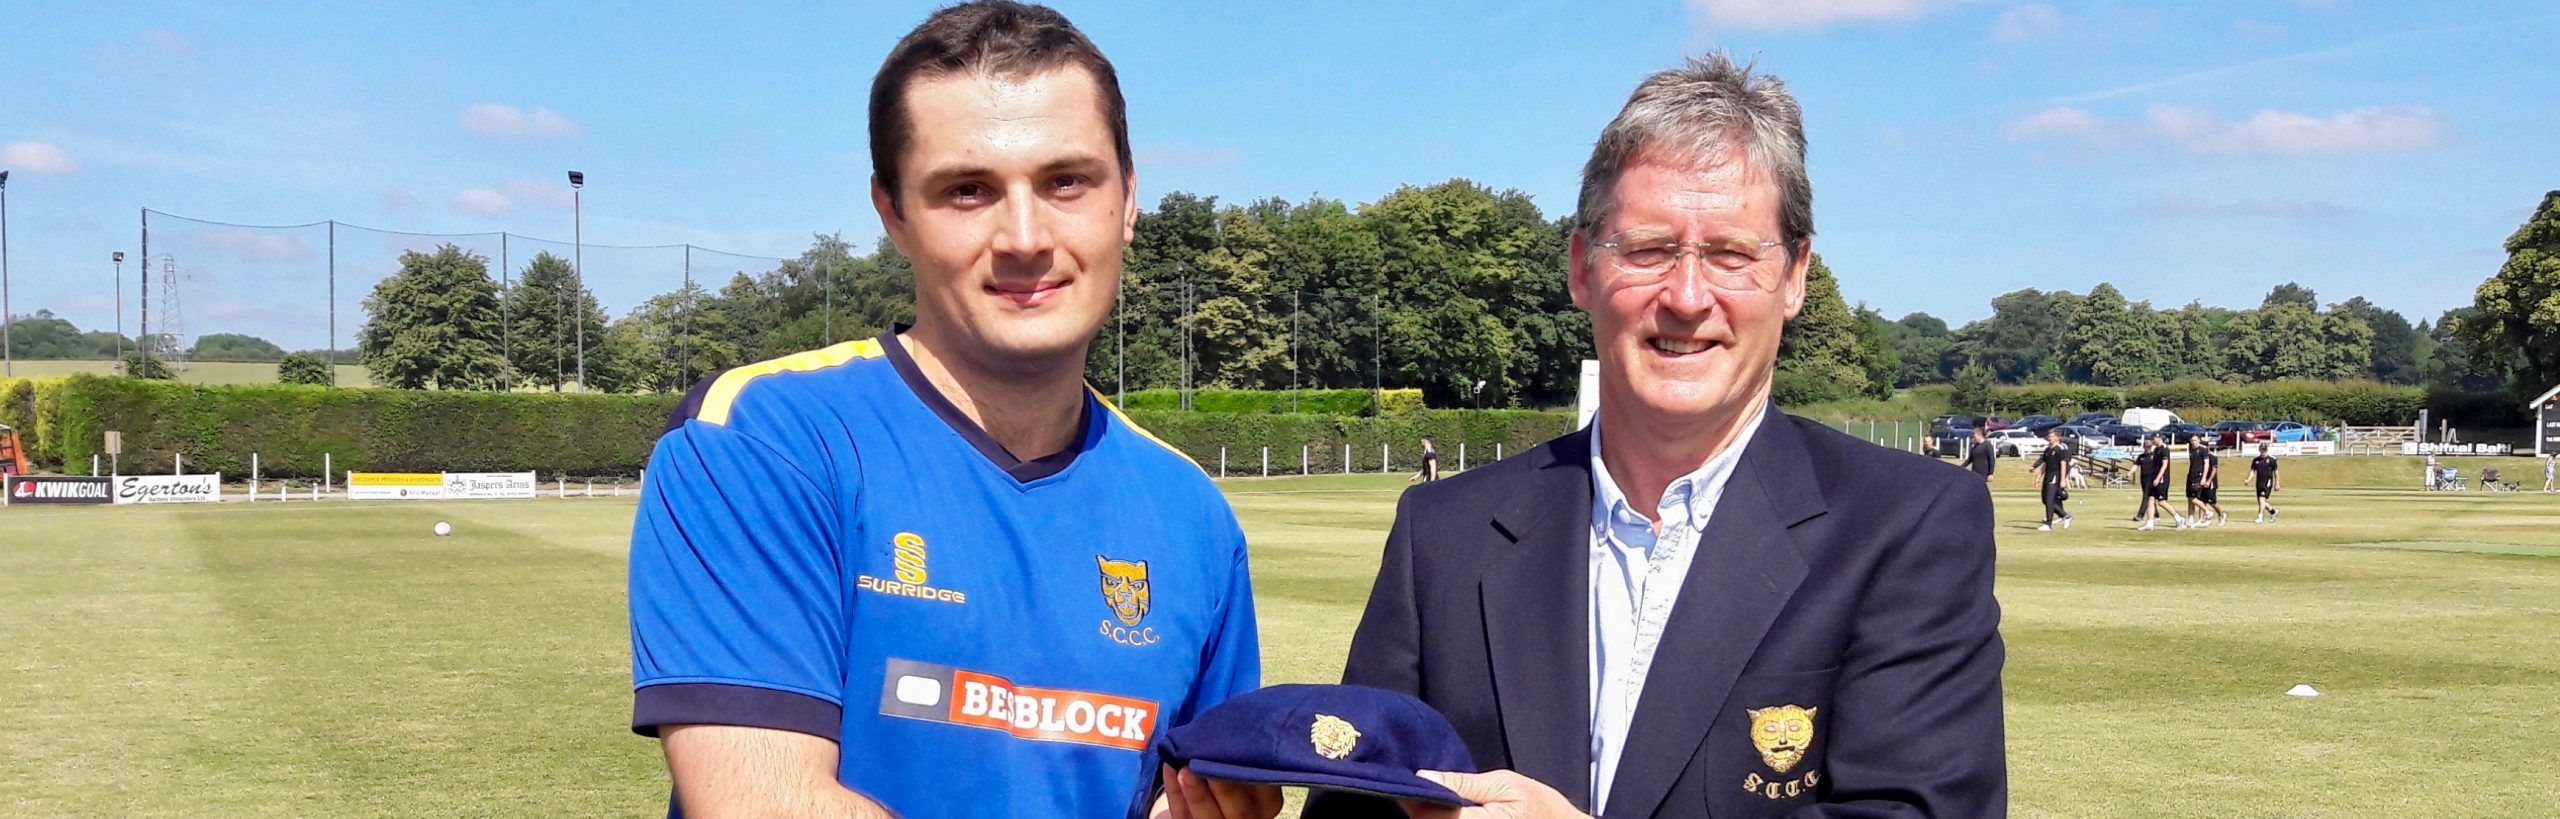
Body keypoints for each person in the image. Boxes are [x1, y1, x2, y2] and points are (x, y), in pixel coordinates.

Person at [1309, 53, 2005, 819]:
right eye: (1647, 249)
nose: (1686, 295)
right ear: (1581, 268)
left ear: (1796, 275)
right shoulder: (1441, 534)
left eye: (1732, 253)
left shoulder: (1908, 526)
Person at [624, 5, 1271, 818]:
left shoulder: (1193, 515)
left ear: (1130, 197)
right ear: (892, 212)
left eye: (1067, 180)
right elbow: (763, 800)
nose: (1025, 236)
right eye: (967, 190)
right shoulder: (761, 439)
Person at [2033, 427, 2073, 531]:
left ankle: (2048, 524)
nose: (2049, 438)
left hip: (2055, 476)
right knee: (2045, 500)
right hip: (2047, 476)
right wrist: (2038, 475)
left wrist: (2063, 479)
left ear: (2057, 437)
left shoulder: (2060, 449)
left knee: (2050, 499)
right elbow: (2044, 463)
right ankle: (2065, 516)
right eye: (2048, 436)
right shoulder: (2048, 449)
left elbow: (2064, 464)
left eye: (2051, 436)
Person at [2182, 437, 2223, 528]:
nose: (2193, 442)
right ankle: (2194, 519)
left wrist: (2206, 479)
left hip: (2204, 480)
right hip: (2193, 477)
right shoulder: (2192, 449)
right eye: (2192, 440)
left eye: (2195, 440)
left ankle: (2213, 513)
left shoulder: (2210, 456)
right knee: (2192, 498)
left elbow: (2212, 469)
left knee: (2208, 500)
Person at [2251, 443, 2281, 523]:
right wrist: (2248, 479)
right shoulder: (2256, 460)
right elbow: (2253, 471)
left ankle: (2260, 517)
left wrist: (2277, 483)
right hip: (2259, 483)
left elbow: (2276, 472)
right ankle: (2273, 511)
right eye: (2262, 450)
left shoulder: (2272, 460)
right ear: (2259, 450)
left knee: (2261, 499)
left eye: (2264, 450)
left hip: (2267, 482)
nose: (2263, 451)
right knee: (2261, 502)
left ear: (2267, 450)